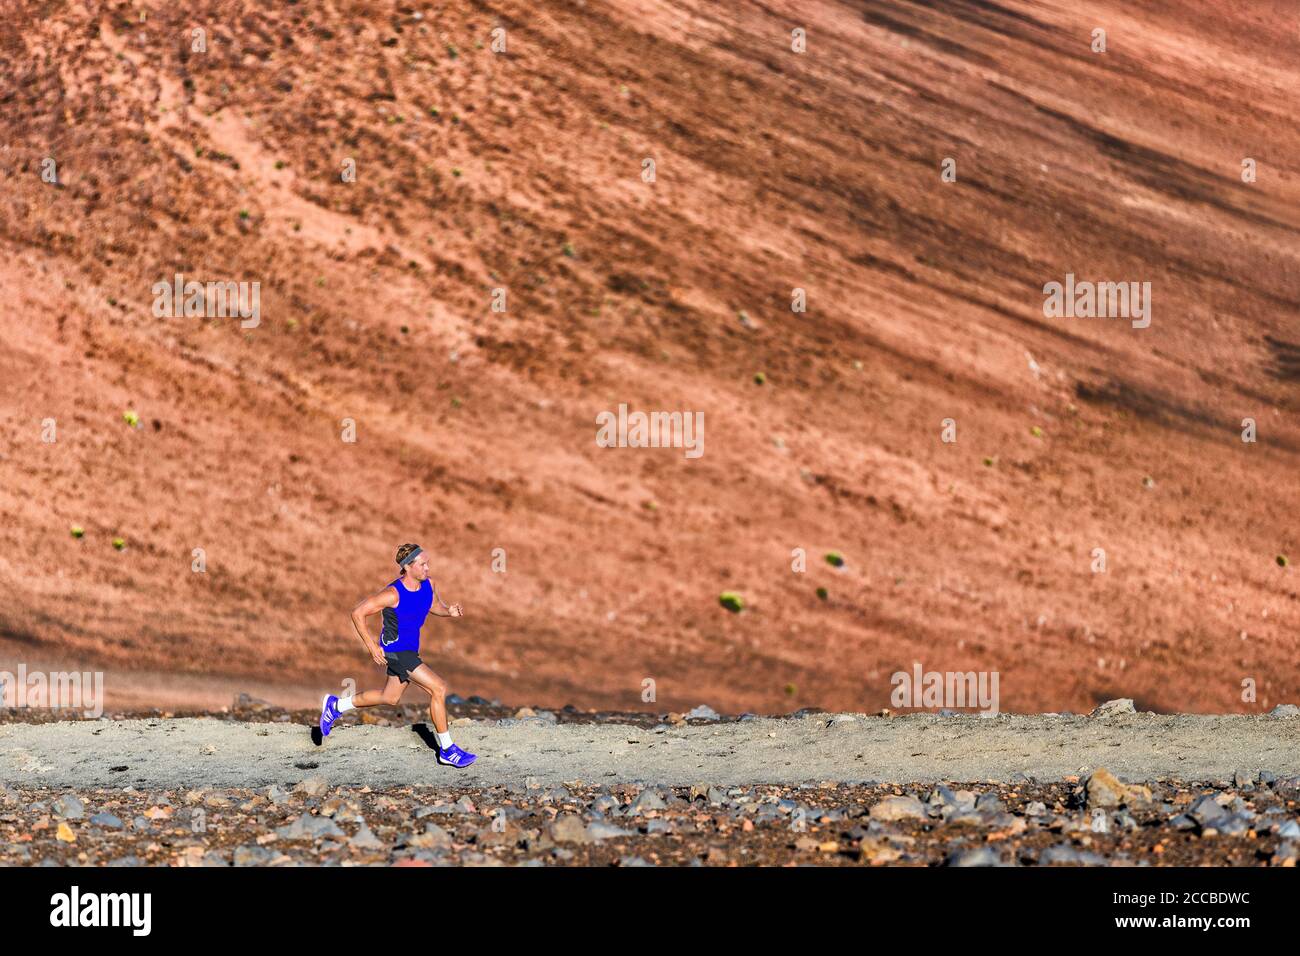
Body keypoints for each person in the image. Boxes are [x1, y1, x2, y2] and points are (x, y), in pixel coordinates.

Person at [319, 543, 476, 767]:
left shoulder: (429, 585)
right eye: (422, 564)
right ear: (407, 567)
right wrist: (372, 647)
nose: (427, 568)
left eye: (427, 563)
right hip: (396, 651)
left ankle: (336, 706)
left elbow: (433, 605)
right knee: (438, 688)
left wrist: (448, 611)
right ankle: (447, 749)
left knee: (389, 698)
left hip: (410, 649)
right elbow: (358, 613)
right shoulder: (392, 594)